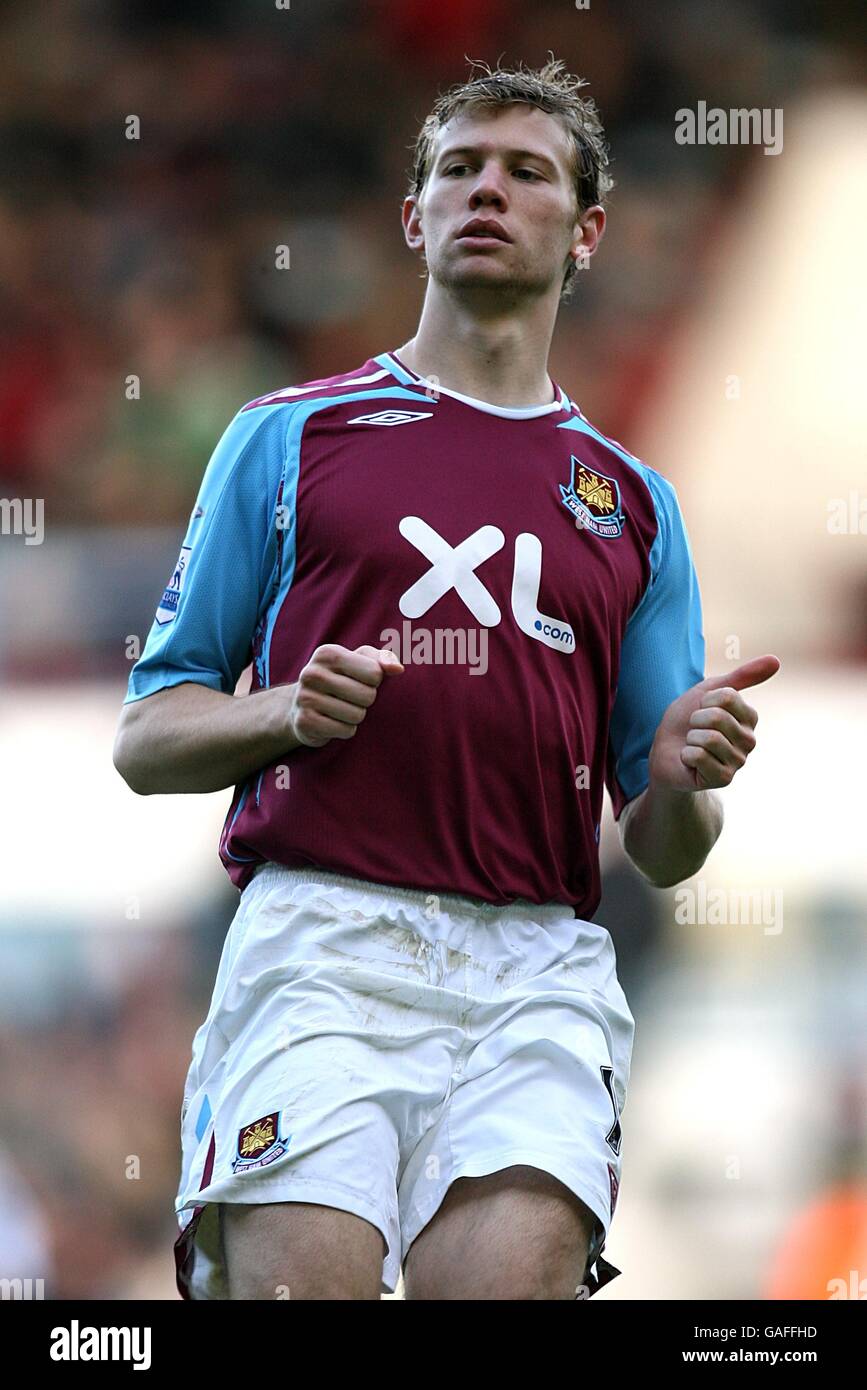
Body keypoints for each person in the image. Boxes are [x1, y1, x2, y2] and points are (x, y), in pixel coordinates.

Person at [113, 57, 779, 1300]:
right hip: (324, 942)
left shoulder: (634, 502)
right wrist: (278, 713)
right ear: (414, 217)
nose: (488, 191)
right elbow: (147, 738)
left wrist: (685, 777)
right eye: (458, 169)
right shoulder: (290, 436)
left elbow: (669, 843)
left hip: (535, 968)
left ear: (584, 232)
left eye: (526, 172)